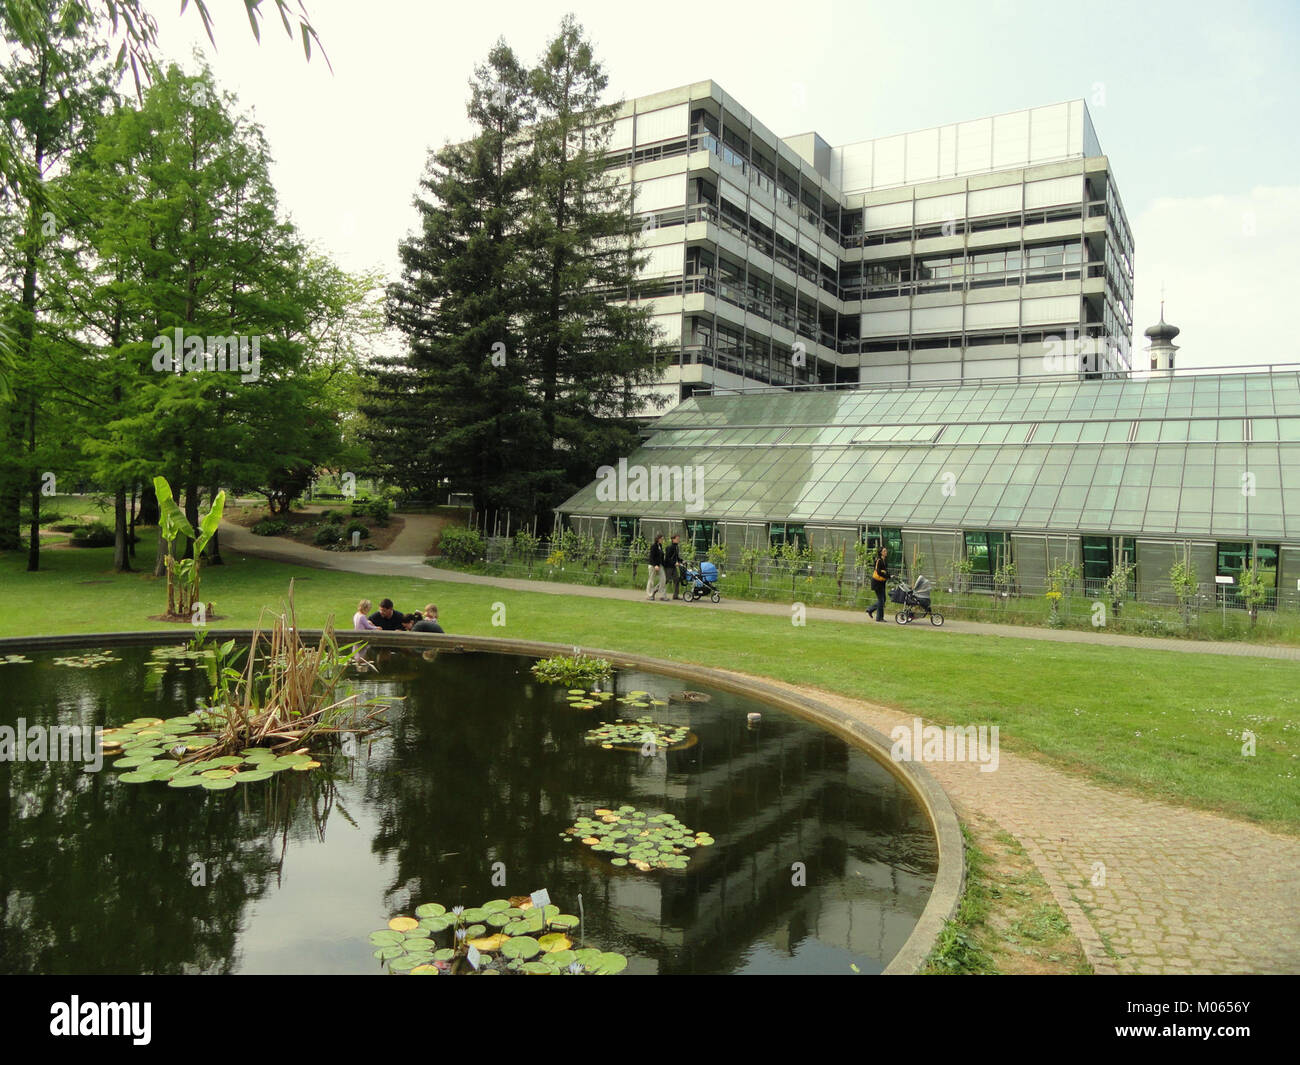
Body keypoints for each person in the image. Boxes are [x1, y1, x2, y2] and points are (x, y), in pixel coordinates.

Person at [866, 546, 890, 622]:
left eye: (886, 551)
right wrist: (886, 575)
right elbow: (879, 572)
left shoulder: (884, 560)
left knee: (883, 600)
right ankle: (879, 618)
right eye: (884, 551)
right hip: (877, 582)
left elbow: (885, 571)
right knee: (881, 600)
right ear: (881, 553)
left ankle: (870, 609)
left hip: (882, 582)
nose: (886, 552)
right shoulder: (878, 560)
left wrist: (889, 575)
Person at [646, 534, 667, 601]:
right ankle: (650, 595)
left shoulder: (660, 546)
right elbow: (651, 557)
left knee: (663, 579)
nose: (663, 540)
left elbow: (661, 557)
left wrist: (664, 565)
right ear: (658, 539)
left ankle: (662, 595)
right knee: (651, 580)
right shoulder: (653, 546)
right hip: (653, 566)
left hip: (660, 565)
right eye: (662, 539)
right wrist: (655, 565)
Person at [664, 534, 684, 600]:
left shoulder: (676, 547)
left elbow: (676, 557)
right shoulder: (669, 547)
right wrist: (674, 563)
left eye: (679, 539)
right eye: (677, 539)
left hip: (673, 567)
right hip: (668, 567)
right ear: (673, 539)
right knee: (665, 581)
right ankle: (653, 592)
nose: (678, 540)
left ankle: (675, 595)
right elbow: (667, 558)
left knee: (676, 580)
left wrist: (682, 561)